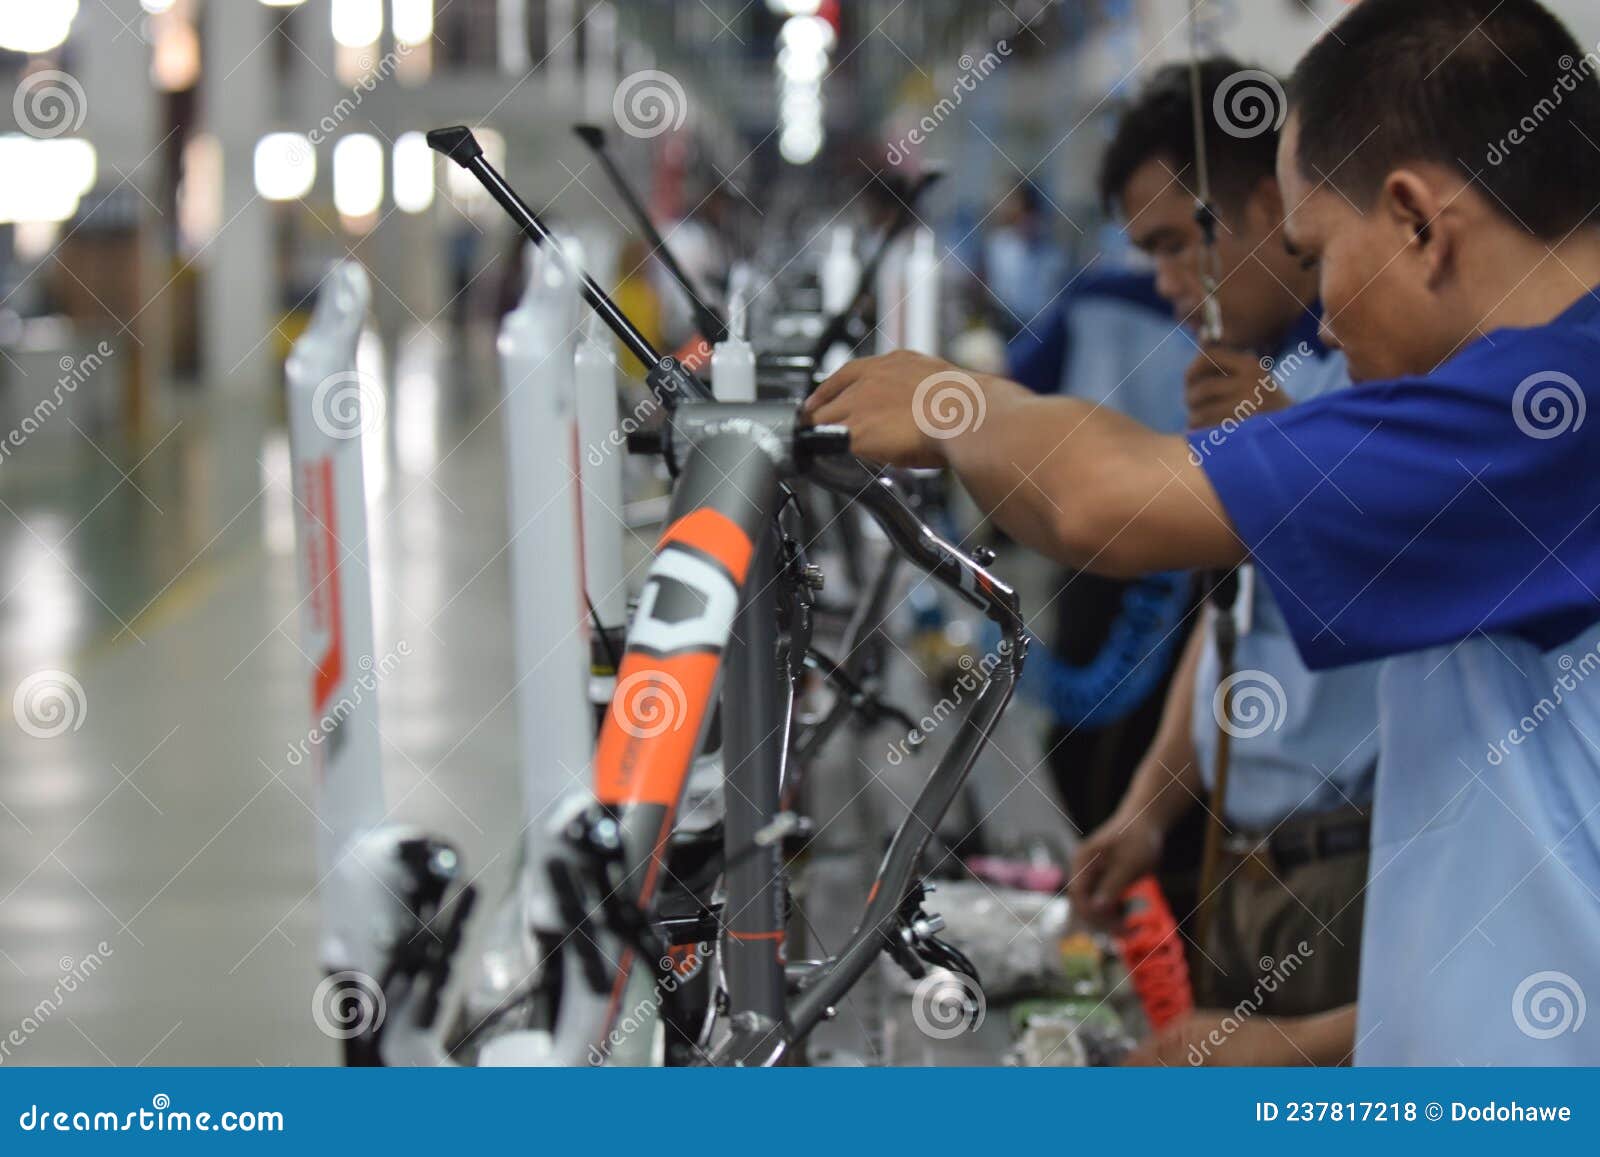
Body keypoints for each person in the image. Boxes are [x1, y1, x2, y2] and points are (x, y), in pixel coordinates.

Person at [808, 0, 1600, 1064]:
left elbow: (1102, 501)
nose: (1323, 306)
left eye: (1316, 250)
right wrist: (1310, 1044)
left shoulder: (1547, 406)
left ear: (1416, 220)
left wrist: (953, 402)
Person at [1066, 60, 1383, 1019]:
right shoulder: (1275, 377)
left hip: (1344, 876)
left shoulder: (1375, 390)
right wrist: (1144, 813)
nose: (1166, 285)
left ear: (1264, 208)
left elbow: (1389, 587)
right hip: (1244, 869)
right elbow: (1231, 618)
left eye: (1175, 245)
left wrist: (1285, 450)